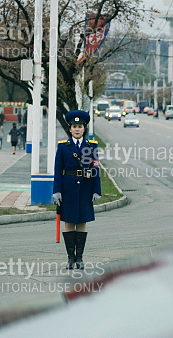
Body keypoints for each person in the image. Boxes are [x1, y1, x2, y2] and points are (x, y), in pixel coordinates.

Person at [52, 110, 101, 270]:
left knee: (82, 222)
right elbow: (58, 170)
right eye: (74, 126)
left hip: (86, 188)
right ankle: (70, 258)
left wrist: (96, 190)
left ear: (84, 128)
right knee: (69, 222)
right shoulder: (63, 147)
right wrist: (57, 190)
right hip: (68, 188)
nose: (77, 129)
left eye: (80, 126)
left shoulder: (91, 146)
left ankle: (79, 257)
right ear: (70, 129)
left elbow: (95, 169)